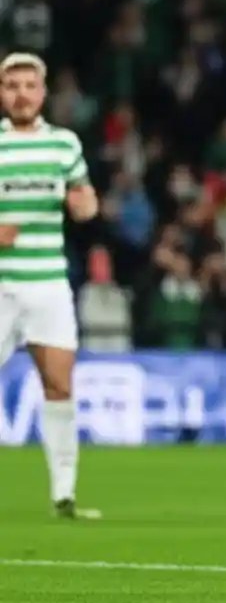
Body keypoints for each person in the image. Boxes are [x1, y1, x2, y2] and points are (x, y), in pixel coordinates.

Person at [0, 52, 101, 519]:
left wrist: (81, 203)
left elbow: (86, 205)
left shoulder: (64, 146)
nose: (20, 93)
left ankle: (64, 494)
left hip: (47, 284)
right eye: (11, 85)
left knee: (58, 384)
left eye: (29, 85)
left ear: (42, 93)